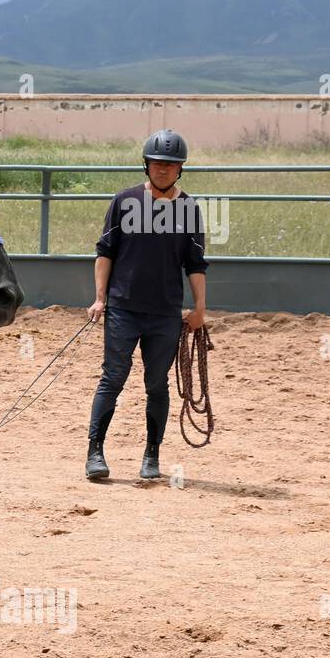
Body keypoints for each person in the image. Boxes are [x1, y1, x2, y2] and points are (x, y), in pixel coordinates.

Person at [85, 129, 208, 480]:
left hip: (165, 313)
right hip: (123, 308)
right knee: (113, 378)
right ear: (146, 165)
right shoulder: (124, 202)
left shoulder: (189, 210)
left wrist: (199, 308)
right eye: (157, 163)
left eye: (170, 165)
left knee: (157, 384)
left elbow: (196, 265)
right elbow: (105, 252)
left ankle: (151, 455)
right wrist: (100, 297)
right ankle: (95, 452)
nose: (163, 169)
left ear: (180, 168)